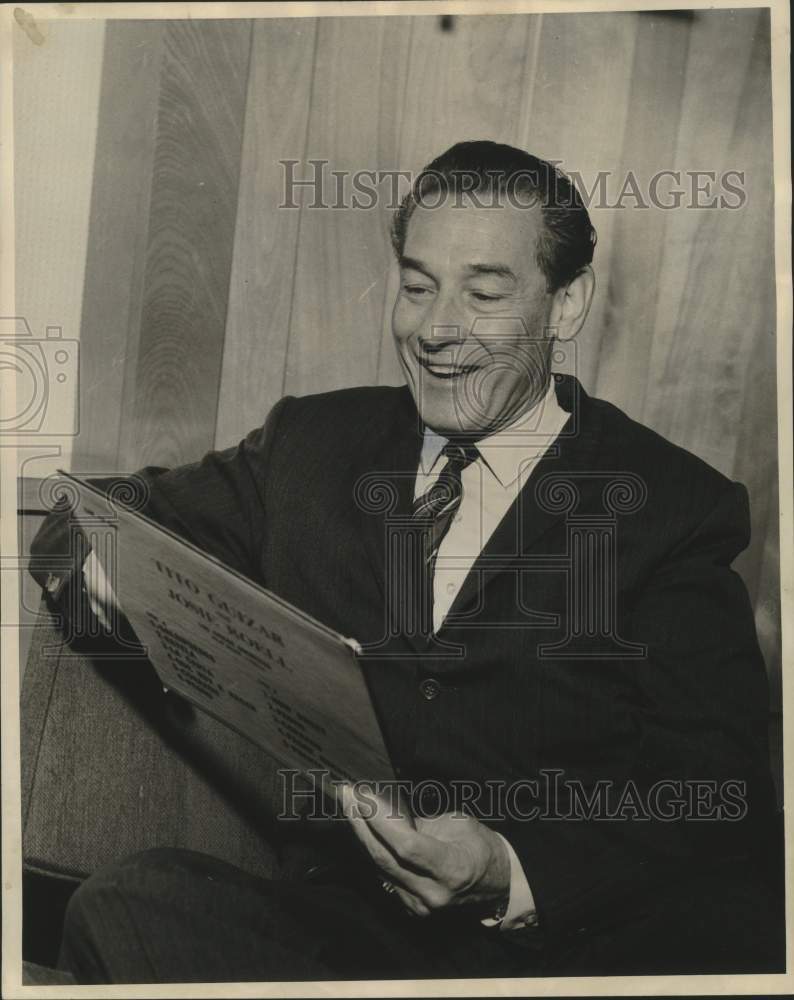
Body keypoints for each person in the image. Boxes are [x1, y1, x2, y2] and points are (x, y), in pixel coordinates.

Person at [30, 141, 783, 981]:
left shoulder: (672, 506)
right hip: (344, 931)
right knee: (127, 904)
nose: (436, 329)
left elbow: (718, 793)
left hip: (562, 953)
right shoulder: (312, 447)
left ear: (567, 303)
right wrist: (113, 574)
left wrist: (508, 871)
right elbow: (89, 520)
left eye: (484, 294)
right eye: (418, 287)